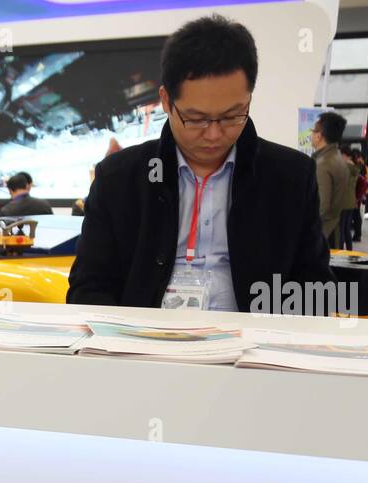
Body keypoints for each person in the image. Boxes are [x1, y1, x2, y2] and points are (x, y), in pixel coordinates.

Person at [67, 15, 333, 313]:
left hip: (251, 347)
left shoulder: (291, 177)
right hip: (145, 345)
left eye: (233, 115)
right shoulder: (118, 178)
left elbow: (314, 286)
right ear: (166, 101)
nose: (215, 134)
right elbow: (88, 287)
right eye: (196, 119)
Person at [307, 113, 353, 249]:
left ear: (319, 135)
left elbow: (321, 207)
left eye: (313, 131)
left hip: (323, 234)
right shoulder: (337, 158)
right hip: (333, 228)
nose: (311, 135)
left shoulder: (323, 164)